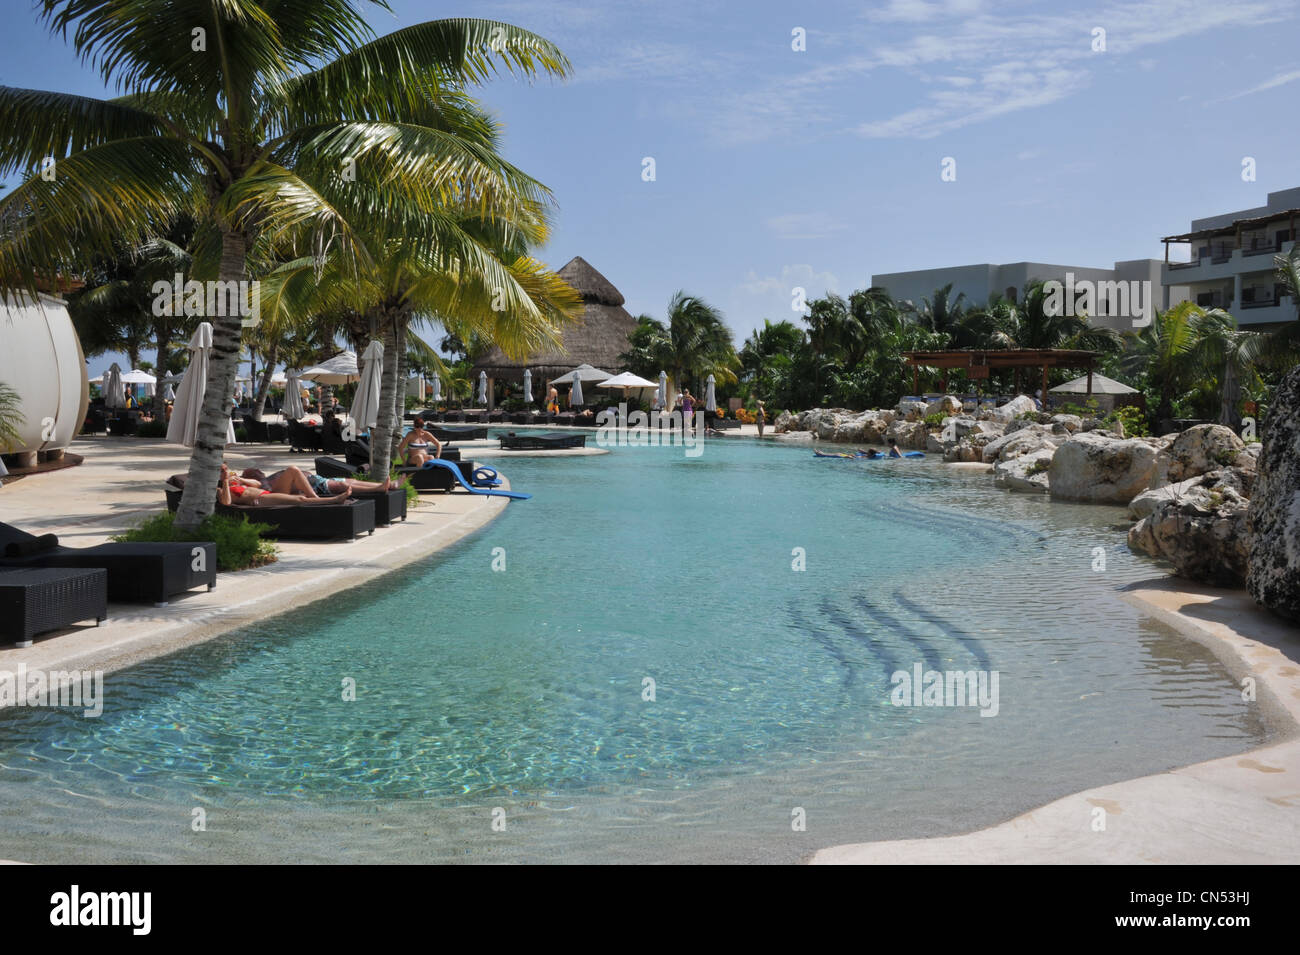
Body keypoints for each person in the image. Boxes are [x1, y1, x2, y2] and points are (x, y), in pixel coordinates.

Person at [217, 464, 351, 507]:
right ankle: (334, 500)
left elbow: (257, 484)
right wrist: (225, 483)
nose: (226, 472)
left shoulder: (236, 481)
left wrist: (241, 480)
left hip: (267, 493)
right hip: (259, 500)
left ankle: (315, 497)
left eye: (226, 468)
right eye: (222, 471)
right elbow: (226, 502)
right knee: (300, 500)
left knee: (293, 469)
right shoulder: (219, 489)